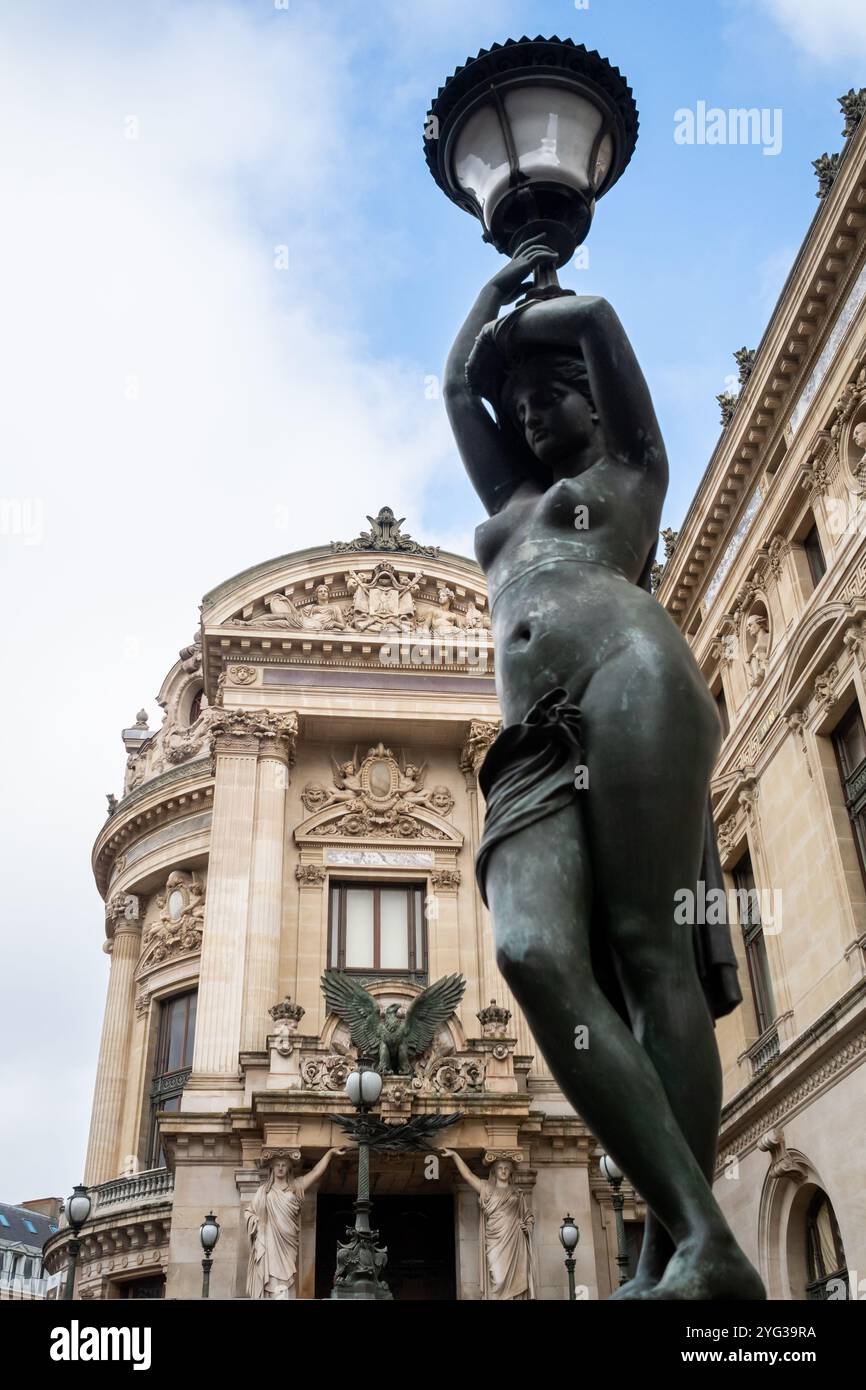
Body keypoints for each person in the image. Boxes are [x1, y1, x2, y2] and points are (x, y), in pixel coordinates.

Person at [442, 238, 764, 1300]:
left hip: (628, 673)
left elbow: (600, 323)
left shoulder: (628, 474)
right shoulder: (511, 511)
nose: (528, 415)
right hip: (533, 733)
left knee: (645, 957)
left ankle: (677, 1249)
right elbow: (454, 386)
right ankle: (694, 1236)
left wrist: (535, 309)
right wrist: (497, 300)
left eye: (548, 398)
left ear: (592, 400)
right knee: (532, 950)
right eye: (519, 404)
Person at [245, 1149, 344, 1299]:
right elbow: (249, 1212)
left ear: (289, 1168)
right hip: (269, 1238)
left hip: (288, 1242)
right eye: (277, 1164)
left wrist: (329, 1153)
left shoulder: (296, 1187)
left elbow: (316, 1172)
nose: (280, 1168)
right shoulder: (263, 1192)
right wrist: (257, 1222)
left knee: (287, 1279)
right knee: (271, 1276)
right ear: (272, 1168)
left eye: (283, 1165)